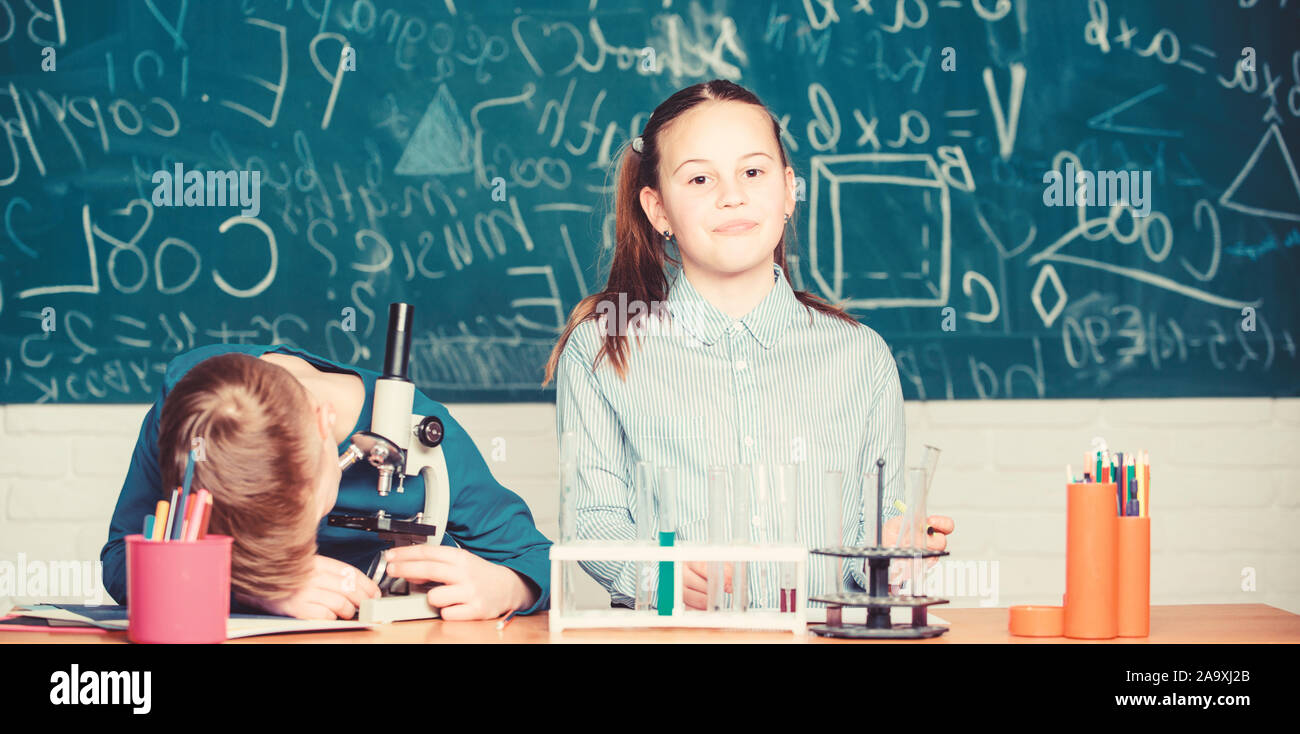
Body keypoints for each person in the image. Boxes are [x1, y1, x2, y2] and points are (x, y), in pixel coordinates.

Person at [543, 79, 955, 610]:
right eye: (698, 178)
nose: (731, 194)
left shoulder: (860, 355)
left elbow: (873, 528)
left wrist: (899, 551)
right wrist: (657, 578)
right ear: (658, 209)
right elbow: (593, 517)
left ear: (788, 191)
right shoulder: (604, 349)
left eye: (753, 172)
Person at [101, 343, 550, 620]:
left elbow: (540, 559)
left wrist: (506, 587)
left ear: (323, 422)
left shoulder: (427, 433)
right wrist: (263, 588)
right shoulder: (189, 408)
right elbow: (122, 559)